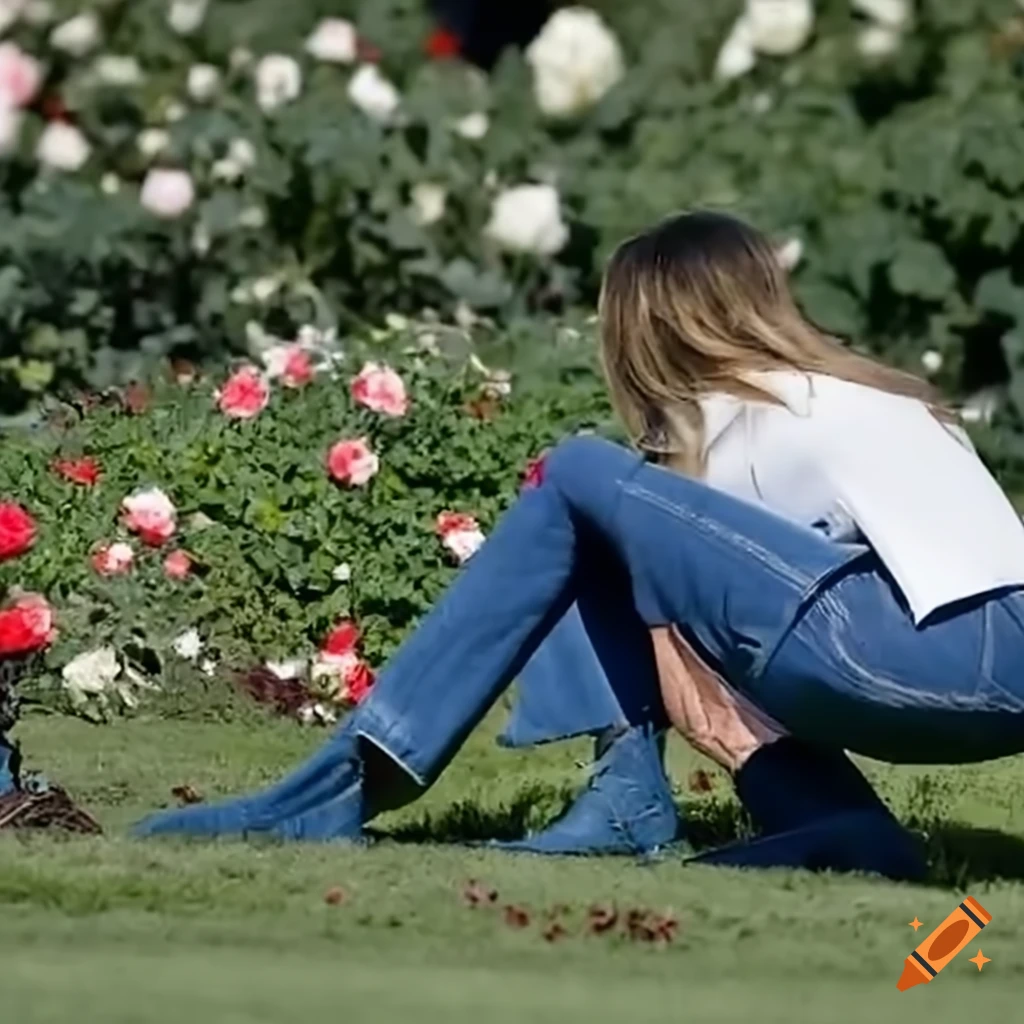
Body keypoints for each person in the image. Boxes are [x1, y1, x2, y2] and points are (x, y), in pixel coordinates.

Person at [135, 211, 1024, 881]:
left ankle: (344, 789)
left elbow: (633, 548)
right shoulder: (861, 396)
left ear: (648, 328)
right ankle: (835, 826)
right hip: (987, 662)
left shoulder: (758, 412)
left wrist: (669, 639)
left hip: (918, 653)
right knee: (597, 503)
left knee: (574, 472)